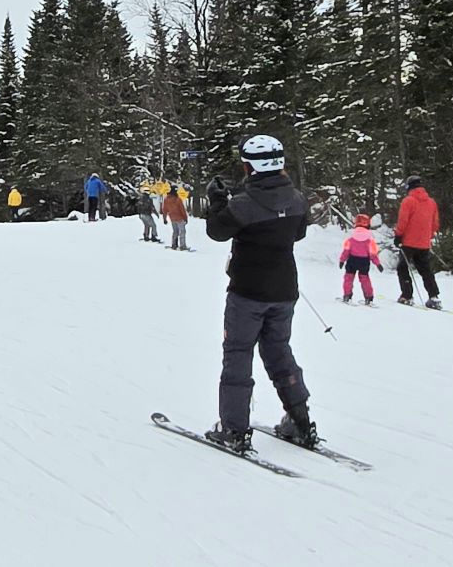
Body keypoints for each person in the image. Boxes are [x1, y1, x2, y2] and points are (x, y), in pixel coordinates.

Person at [202, 135, 318, 453]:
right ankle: (299, 419)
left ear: (249, 166)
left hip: (248, 291)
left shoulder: (244, 203)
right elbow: (298, 232)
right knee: (279, 350)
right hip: (284, 290)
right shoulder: (296, 199)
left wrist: (216, 201)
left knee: (239, 354)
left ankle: (234, 429)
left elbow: (216, 231)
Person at [393, 176, 442, 309]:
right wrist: (428, 236)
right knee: (426, 270)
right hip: (424, 243)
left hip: (408, 242)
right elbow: (435, 223)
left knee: (402, 268)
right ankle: (434, 296)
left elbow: (403, 221)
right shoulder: (431, 202)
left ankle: (407, 295)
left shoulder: (408, 201)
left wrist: (398, 236)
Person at [338, 213, 384, 304]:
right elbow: (373, 254)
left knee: (348, 278)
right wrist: (378, 264)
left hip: (352, 260)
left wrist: (342, 260)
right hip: (364, 261)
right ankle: (369, 297)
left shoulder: (351, 238)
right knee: (365, 279)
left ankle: (347, 295)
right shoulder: (370, 240)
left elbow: (346, 251)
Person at [162, 184, 190, 251]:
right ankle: (182, 246)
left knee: (175, 232)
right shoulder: (178, 199)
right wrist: (185, 218)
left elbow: (164, 209)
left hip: (172, 218)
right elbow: (182, 209)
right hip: (180, 218)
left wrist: (164, 218)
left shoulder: (166, 199)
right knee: (182, 232)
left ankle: (174, 244)